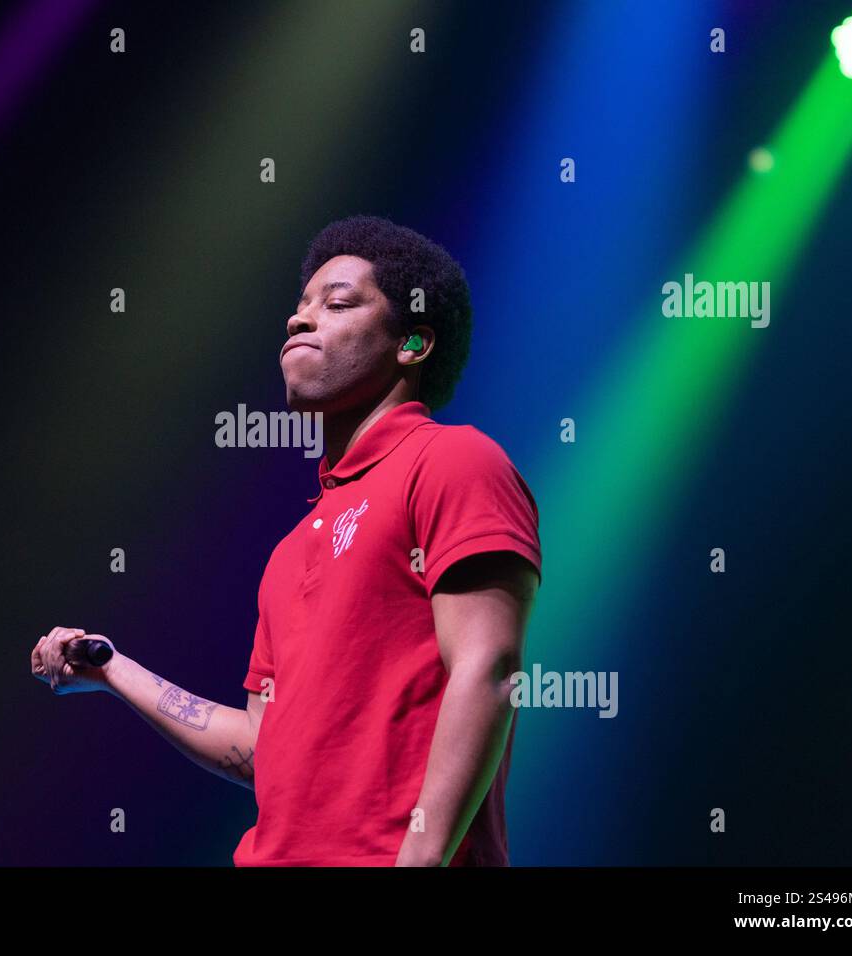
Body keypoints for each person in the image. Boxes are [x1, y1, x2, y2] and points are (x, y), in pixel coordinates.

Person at [32, 215, 541, 866]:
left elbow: (490, 670)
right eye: (299, 308)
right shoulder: (292, 549)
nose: (299, 321)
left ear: (412, 342)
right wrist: (110, 670)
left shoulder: (453, 461)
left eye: (337, 303)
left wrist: (420, 857)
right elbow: (259, 746)